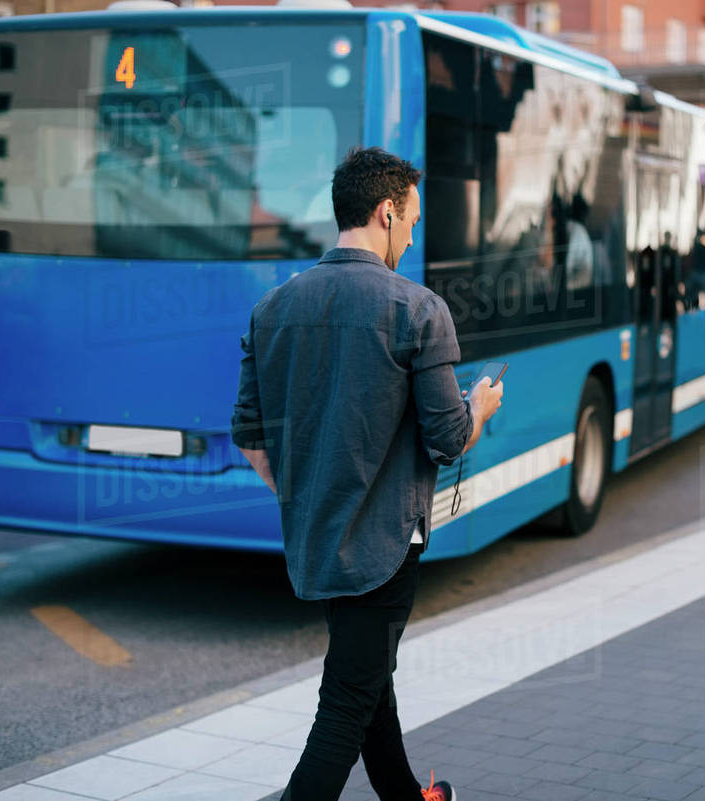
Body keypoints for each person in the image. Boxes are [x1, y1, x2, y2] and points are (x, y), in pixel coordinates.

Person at [231, 146, 503, 801]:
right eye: (409, 220)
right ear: (385, 212)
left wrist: (307, 495)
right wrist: (481, 408)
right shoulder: (417, 309)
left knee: (368, 678)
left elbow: (249, 434)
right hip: (386, 550)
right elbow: (446, 439)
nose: (411, 236)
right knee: (347, 701)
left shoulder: (273, 308)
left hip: (318, 540)